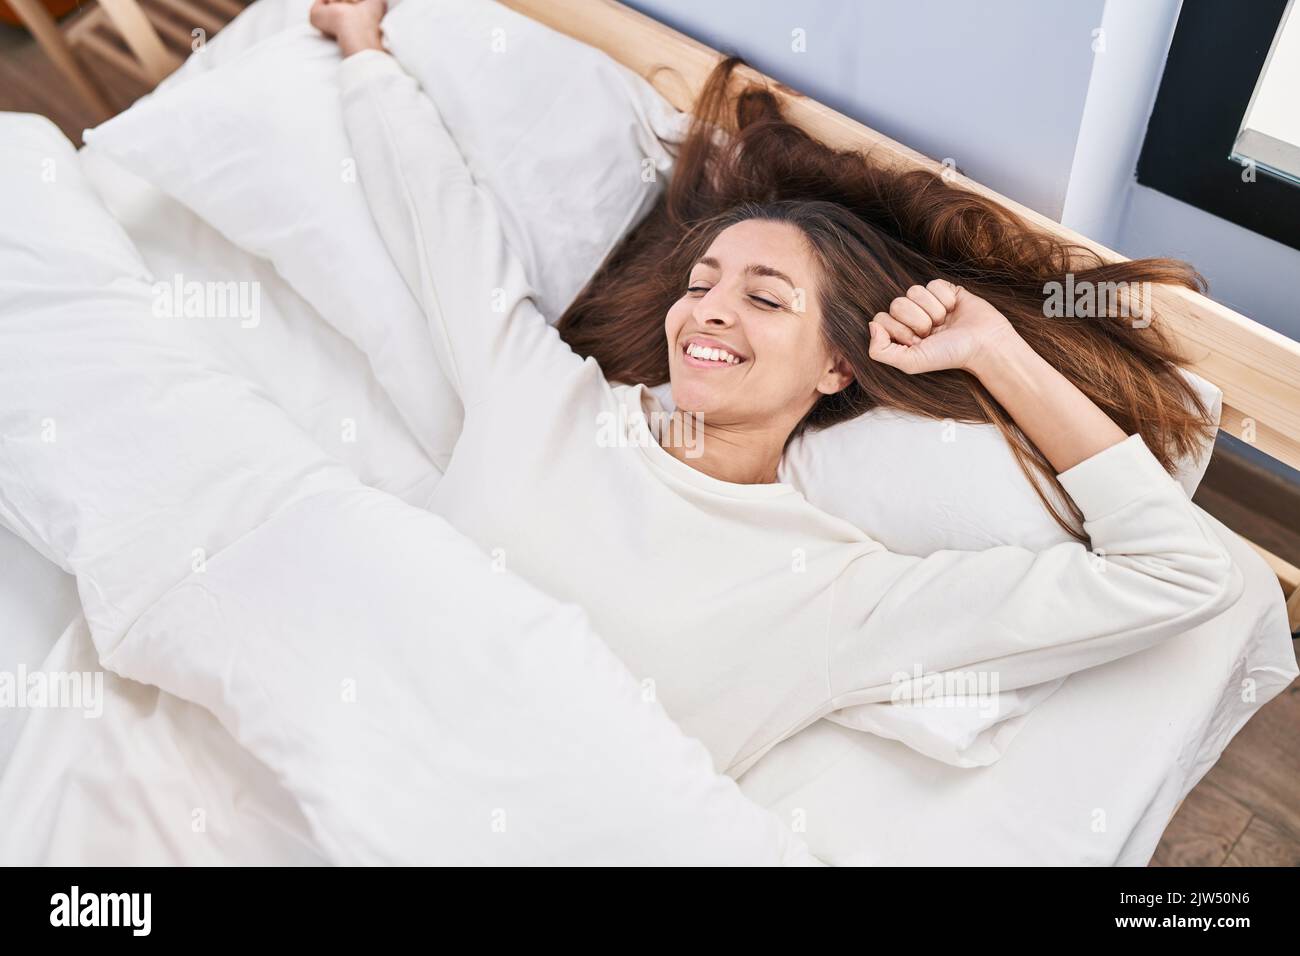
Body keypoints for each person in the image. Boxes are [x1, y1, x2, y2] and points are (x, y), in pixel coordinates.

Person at [310, 0, 1242, 778]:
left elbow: (1178, 575)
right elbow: (434, 212)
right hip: (335, 730)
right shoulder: (543, 396)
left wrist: (997, 351)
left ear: (838, 366)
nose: (709, 310)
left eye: (763, 297)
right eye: (702, 283)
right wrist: (362, 46)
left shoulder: (832, 595)